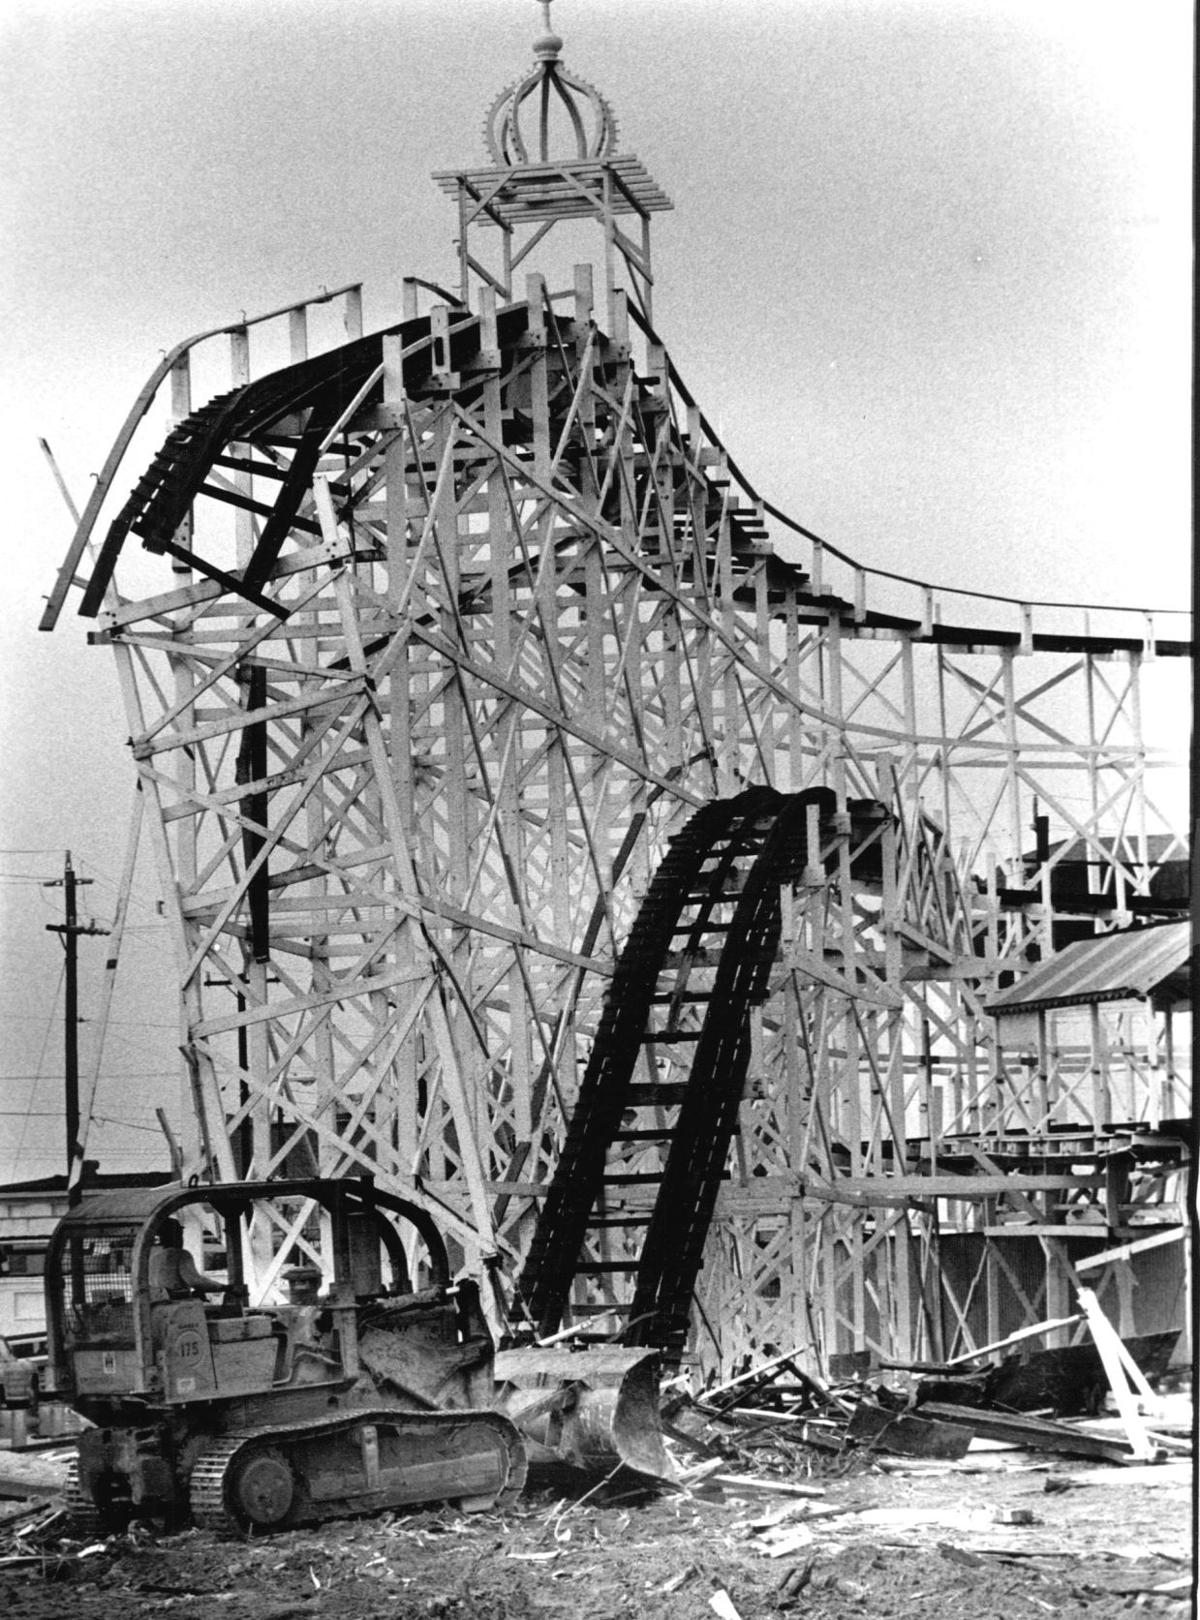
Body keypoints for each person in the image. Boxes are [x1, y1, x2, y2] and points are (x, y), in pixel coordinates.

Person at [148, 1219, 224, 1302]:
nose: (182, 1239)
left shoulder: (154, 1258)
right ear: (175, 1236)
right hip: (178, 1306)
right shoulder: (180, 1255)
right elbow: (195, 1281)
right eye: (180, 1235)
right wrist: (223, 1287)